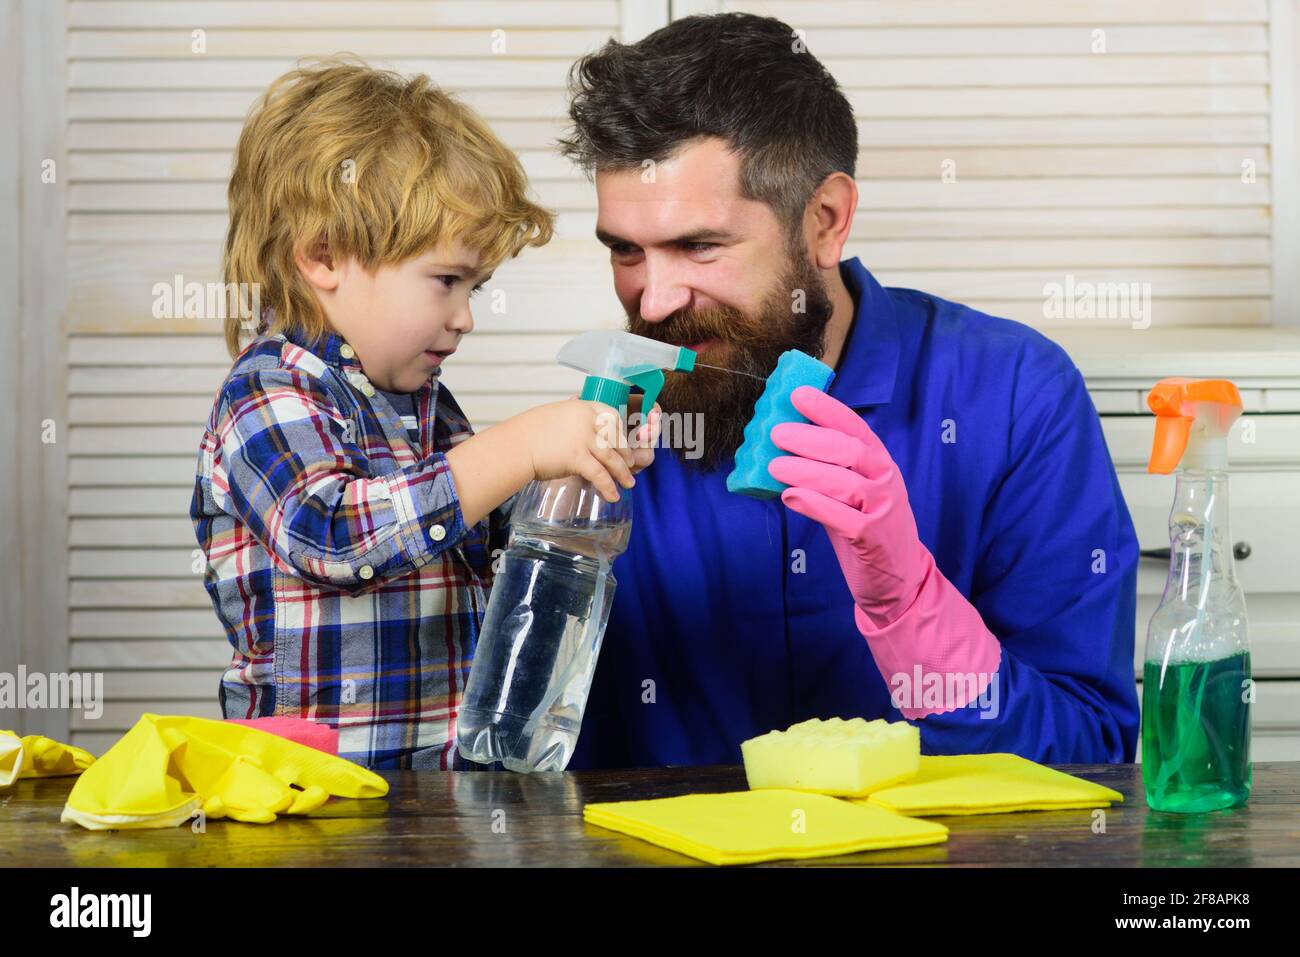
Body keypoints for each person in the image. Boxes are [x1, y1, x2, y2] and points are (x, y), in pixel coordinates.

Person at [557, 13, 1140, 767]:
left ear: (826, 221)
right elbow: (529, 767)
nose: (655, 298)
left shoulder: (1018, 397)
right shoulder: (603, 439)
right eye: (626, 251)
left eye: (698, 245)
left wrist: (912, 606)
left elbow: (1092, 752)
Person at [190, 59, 658, 769]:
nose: (466, 317)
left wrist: (573, 473)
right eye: (446, 281)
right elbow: (337, 538)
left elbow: (490, 533)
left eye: (476, 286)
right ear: (323, 256)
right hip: (310, 803)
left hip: (439, 794)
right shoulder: (266, 394)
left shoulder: (428, 407)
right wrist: (521, 446)